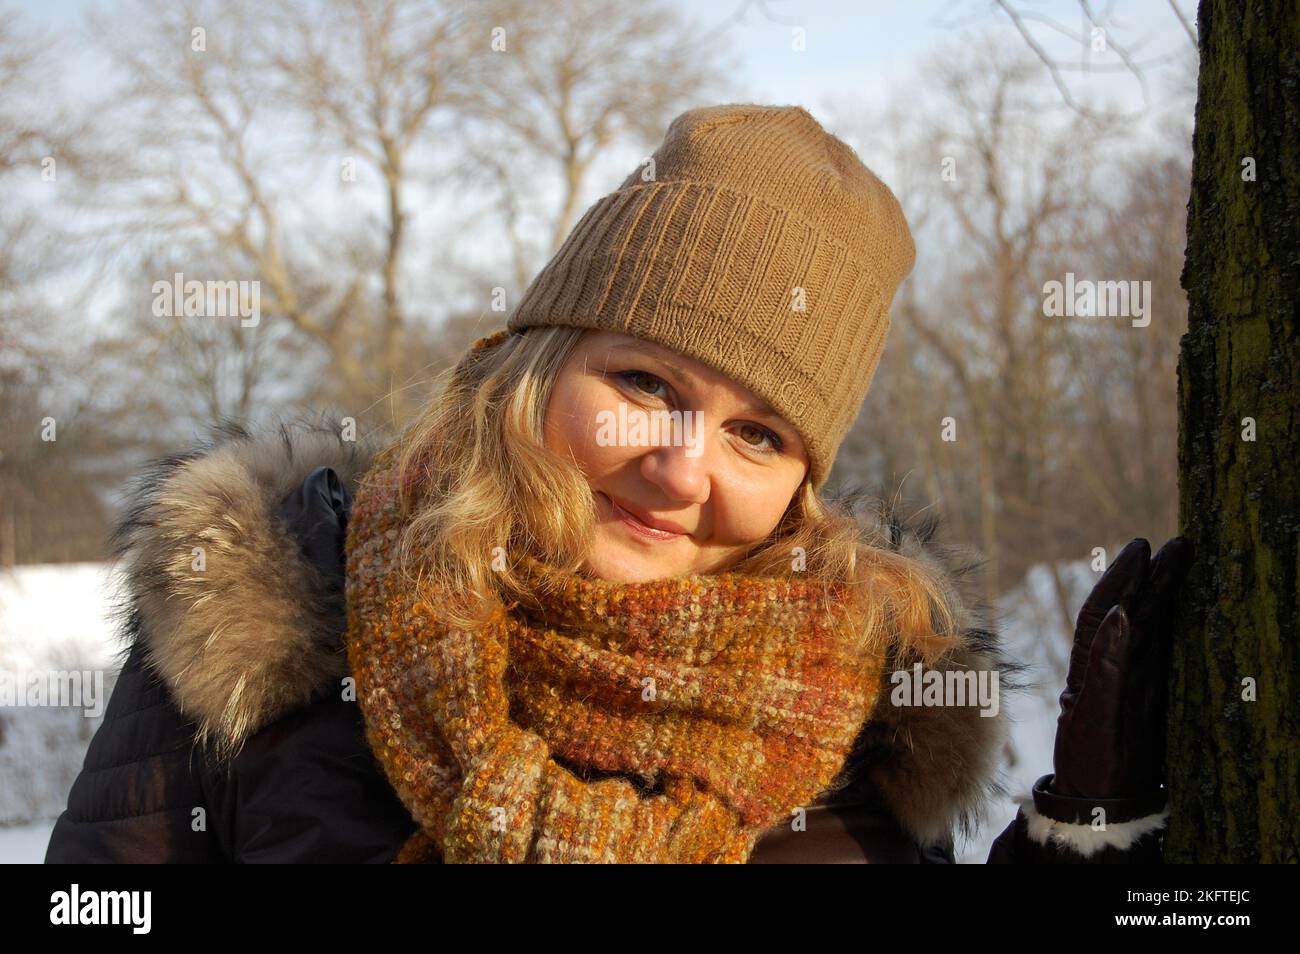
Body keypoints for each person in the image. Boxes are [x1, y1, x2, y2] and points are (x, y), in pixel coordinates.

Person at [45, 104, 1190, 864]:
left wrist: (1083, 844)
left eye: (757, 436)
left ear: (802, 484)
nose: (681, 465)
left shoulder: (858, 713)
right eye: (644, 380)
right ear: (534, 367)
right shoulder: (266, 624)